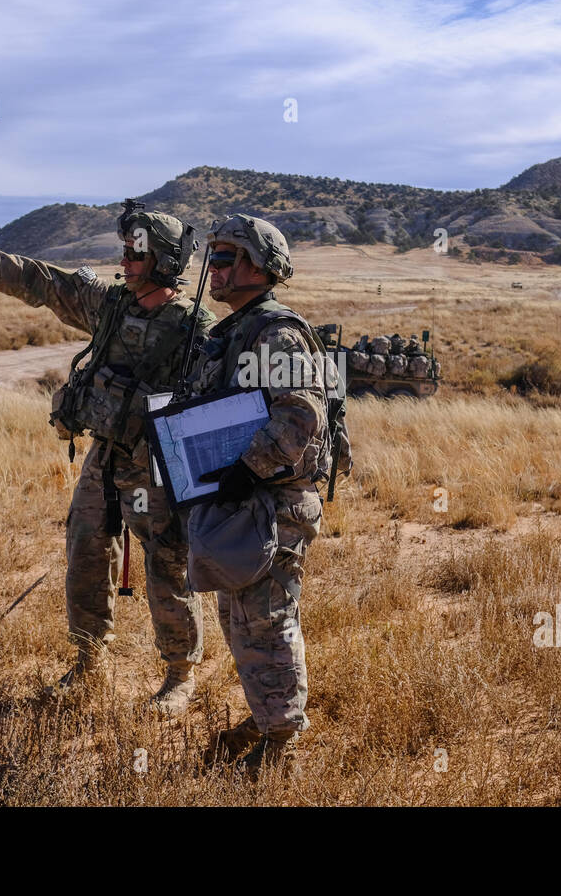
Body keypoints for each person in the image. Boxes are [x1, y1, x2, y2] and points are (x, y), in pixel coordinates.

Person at [0, 201, 213, 716]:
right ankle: (88, 660)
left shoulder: (196, 330)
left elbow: (219, 406)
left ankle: (179, 676)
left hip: (157, 465)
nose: (126, 257)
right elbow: (33, 279)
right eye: (124, 248)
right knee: (85, 553)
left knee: (167, 564)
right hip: (103, 456)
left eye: (136, 250)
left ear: (164, 259)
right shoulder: (108, 305)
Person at [185, 214, 332, 780]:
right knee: (241, 620)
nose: (213, 269)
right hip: (243, 500)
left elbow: (301, 413)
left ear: (258, 267)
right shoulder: (235, 331)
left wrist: (247, 469)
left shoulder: (276, 332)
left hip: (274, 502)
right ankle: (269, 715)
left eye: (225, 258)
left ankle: (283, 746)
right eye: (213, 257)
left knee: (266, 622)